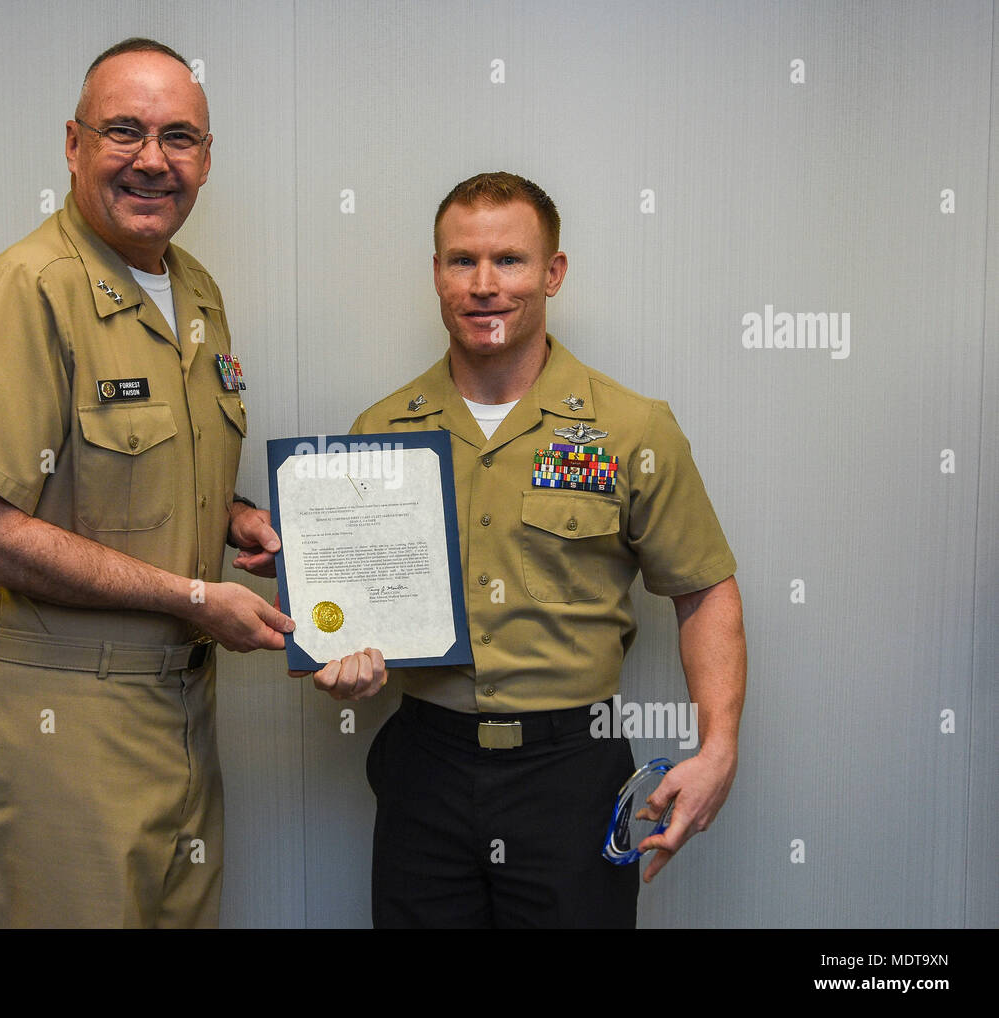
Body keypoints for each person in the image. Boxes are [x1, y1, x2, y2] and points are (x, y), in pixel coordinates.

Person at [312, 172, 746, 928]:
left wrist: (718, 750)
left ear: (553, 272)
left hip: (570, 773)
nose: (484, 285)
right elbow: (351, 612)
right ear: (437, 273)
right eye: (462, 261)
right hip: (425, 770)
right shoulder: (381, 432)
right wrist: (341, 657)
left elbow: (703, 590)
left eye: (509, 260)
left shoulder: (631, 428)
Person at [0, 37, 293, 928]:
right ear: (74, 144)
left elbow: (140, 473)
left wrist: (234, 517)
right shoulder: (32, 287)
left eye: (179, 138)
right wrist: (194, 596)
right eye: (124, 131)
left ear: (206, 158)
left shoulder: (196, 290)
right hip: (59, 720)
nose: (152, 160)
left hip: (181, 713)